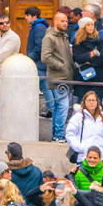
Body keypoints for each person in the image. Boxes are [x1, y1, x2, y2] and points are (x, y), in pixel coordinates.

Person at [40, 10, 76, 142]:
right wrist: (61, 66)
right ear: (55, 22)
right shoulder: (49, 37)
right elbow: (45, 57)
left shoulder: (64, 36)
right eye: (62, 21)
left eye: (66, 21)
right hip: (58, 77)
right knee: (63, 105)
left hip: (65, 76)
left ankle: (57, 134)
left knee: (58, 106)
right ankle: (59, 134)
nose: (65, 23)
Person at [65, 90, 103, 161]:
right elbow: (70, 134)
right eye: (89, 100)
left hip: (101, 157)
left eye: (93, 100)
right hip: (84, 157)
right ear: (84, 102)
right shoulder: (78, 117)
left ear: (97, 102)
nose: (91, 102)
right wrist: (80, 147)